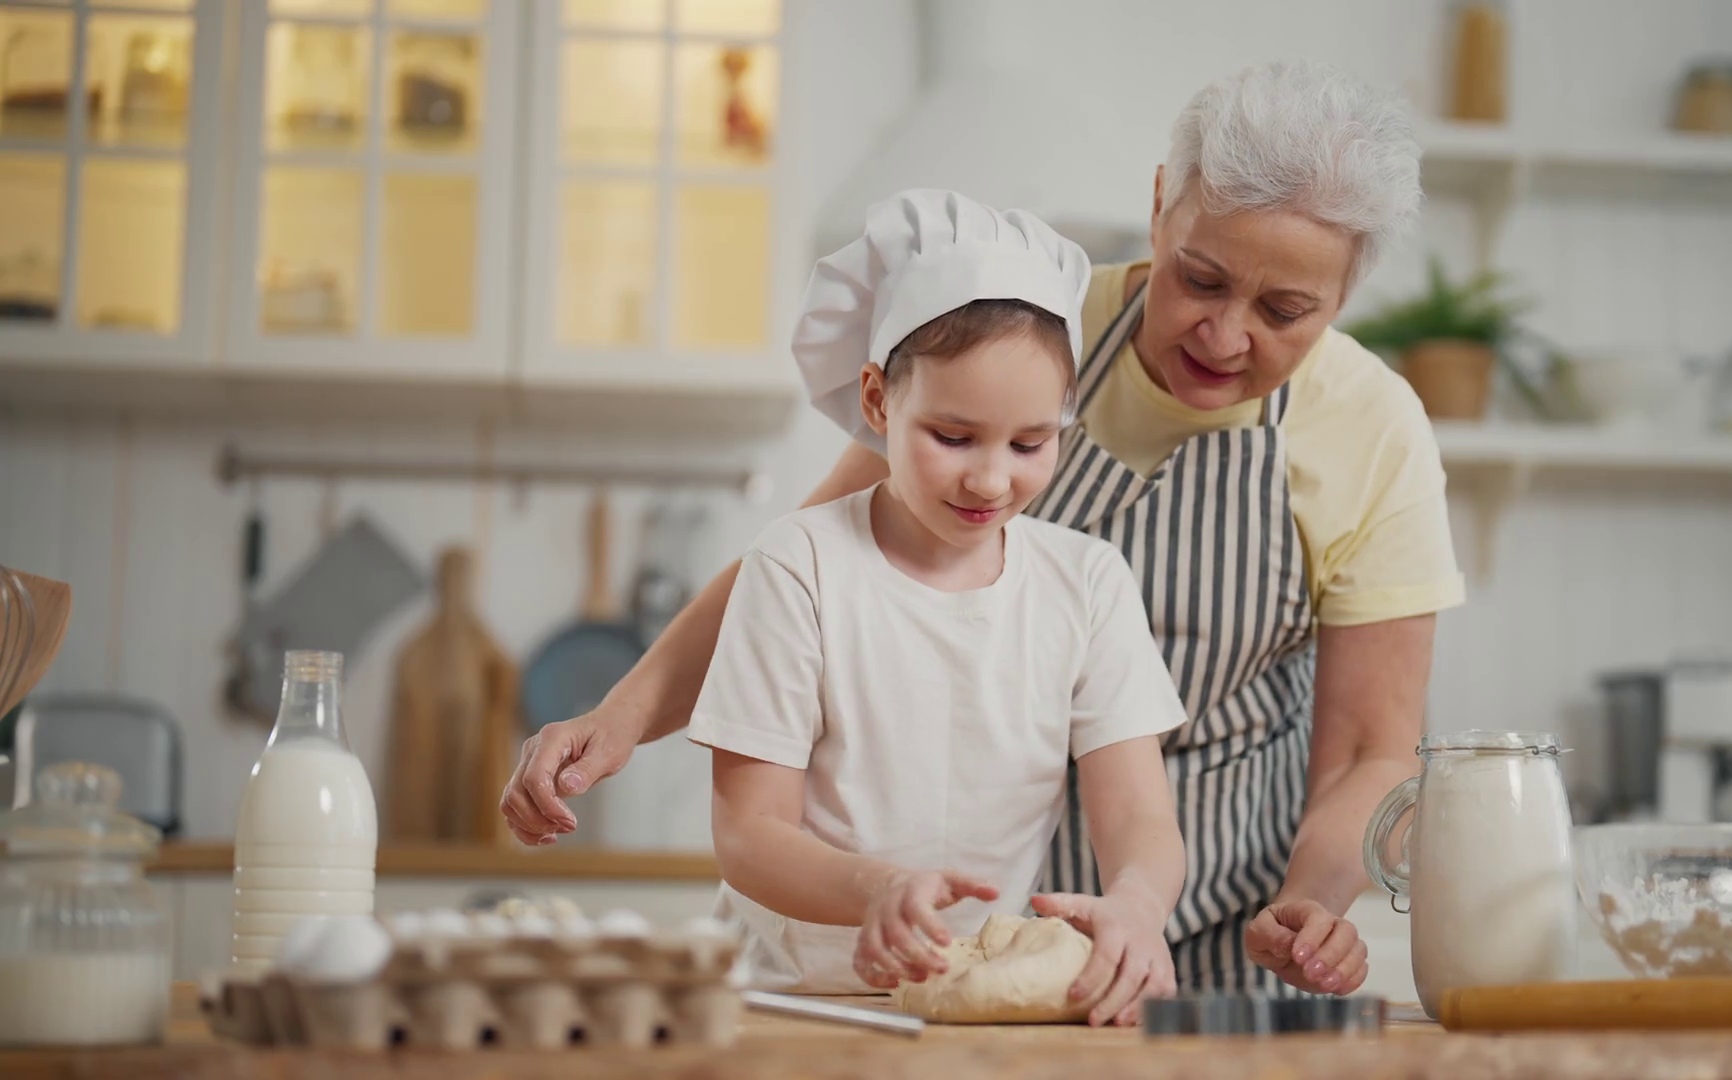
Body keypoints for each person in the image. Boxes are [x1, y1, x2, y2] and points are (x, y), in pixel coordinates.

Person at [502, 59, 1464, 997]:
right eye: (1200, 279)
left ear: (1346, 296)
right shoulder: (1019, 324)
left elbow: (1367, 748)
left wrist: (1305, 904)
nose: (1223, 335)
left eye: (1285, 310)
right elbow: (805, 557)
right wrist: (617, 718)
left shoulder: (1369, 428)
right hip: (975, 939)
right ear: (1163, 204)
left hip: (1208, 932)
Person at [688, 189, 1186, 1027]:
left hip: (973, 1002)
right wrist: (875, 889)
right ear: (879, 402)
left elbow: (1137, 811)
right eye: (952, 438)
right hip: (790, 1003)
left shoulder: (1088, 582)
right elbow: (748, 833)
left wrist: (1137, 905)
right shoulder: (799, 564)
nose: (992, 481)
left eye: (1031, 444)